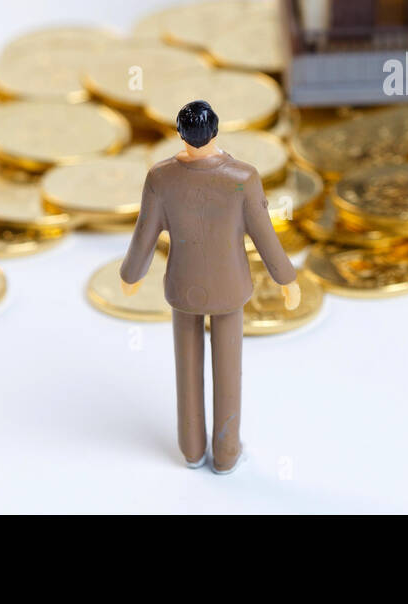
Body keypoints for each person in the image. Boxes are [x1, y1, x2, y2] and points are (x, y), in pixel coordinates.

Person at [120, 99, 299, 473]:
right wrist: (286, 278)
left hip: (183, 286)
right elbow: (265, 236)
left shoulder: (161, 178)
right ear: (215, 131)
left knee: (186, 369)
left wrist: (131, 275)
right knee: (228, 372)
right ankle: (227, 453)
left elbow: (144, 235)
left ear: (180, 134)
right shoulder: (242, 179)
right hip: (229, 287)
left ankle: (191, 449)